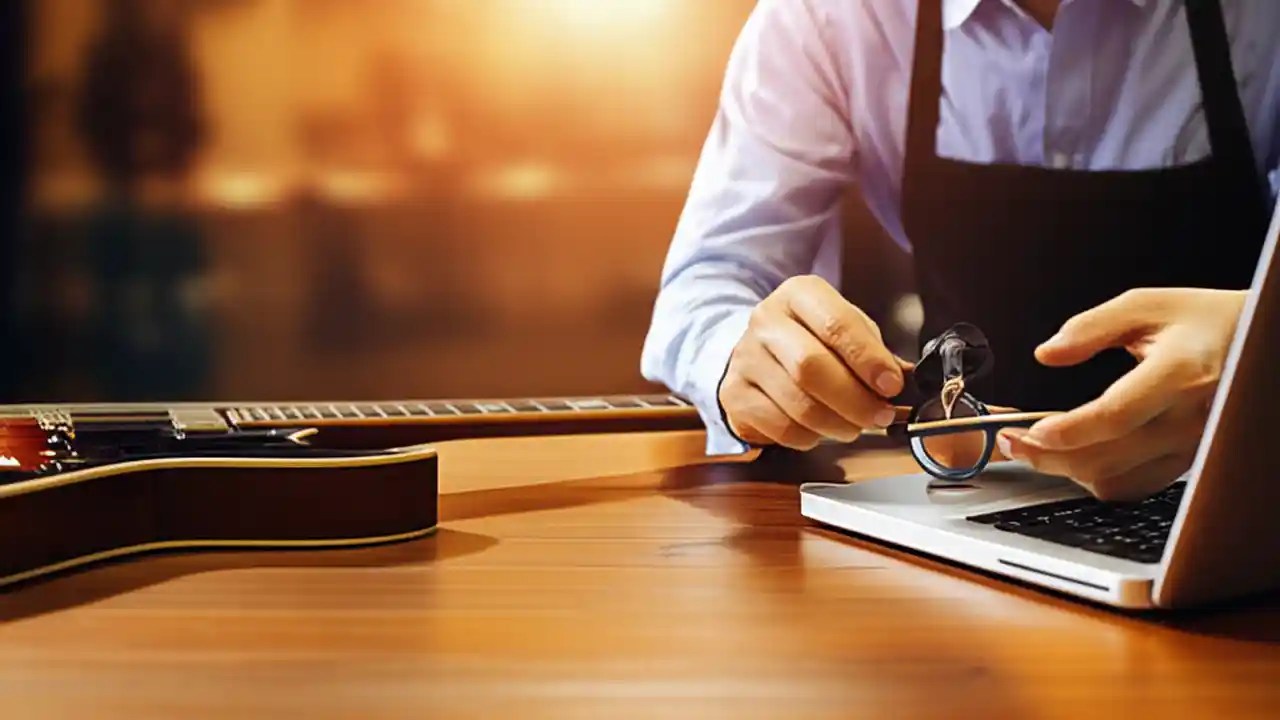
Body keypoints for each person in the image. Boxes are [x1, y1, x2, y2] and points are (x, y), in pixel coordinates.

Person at [642, 0, 1279, 501]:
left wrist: (1263, 353)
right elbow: (711, 281)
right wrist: (741, 362)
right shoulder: (829, 16)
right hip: (959, 496)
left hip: (1235, 488)